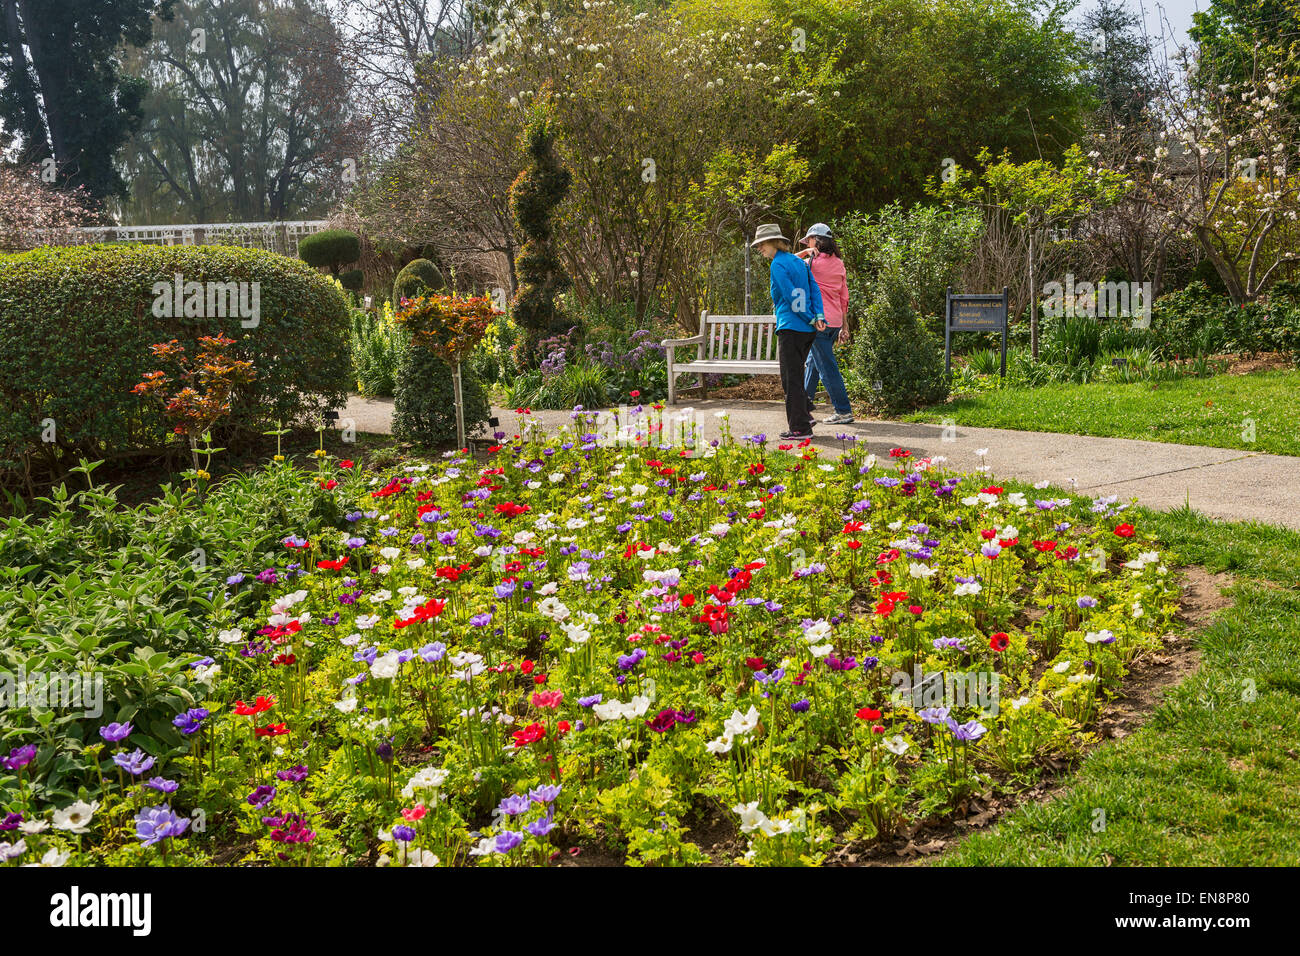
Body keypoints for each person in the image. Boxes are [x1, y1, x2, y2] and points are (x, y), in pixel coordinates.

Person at [752, 223, 823, 439]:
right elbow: (814, 289)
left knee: (790, 379)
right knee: (795, 376)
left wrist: (809, 315)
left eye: (761, 244)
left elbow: (792, 295)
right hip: (807, 330)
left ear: (773, 241)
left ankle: (800, 428)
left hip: (791, 327)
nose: (759, 249)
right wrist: (818, 316)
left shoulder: (778, 265)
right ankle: (805, 413)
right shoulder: (796, 261)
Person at [796, 223, 853, 424]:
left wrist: (804, 252)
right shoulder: (839, 263)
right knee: (813, 362)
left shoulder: (811, 262)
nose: (807, 243)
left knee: (827, 367)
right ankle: (804, 405)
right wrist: (845, 326)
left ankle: (844, 411)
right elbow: (844, 297)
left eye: (809, 240)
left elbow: (786, 265)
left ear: (816, 241)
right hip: (835, 321)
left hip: (819, 321)